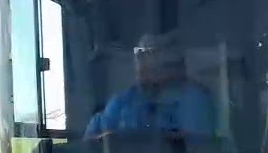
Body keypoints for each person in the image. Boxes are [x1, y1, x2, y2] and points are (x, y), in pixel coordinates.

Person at [84, 32, 217, 138]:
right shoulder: (125, 101)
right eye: (140, 57)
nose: (142, 63)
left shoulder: (193, 100)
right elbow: (93, 140)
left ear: (172, 66)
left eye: (150, 56)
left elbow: (197, 150)